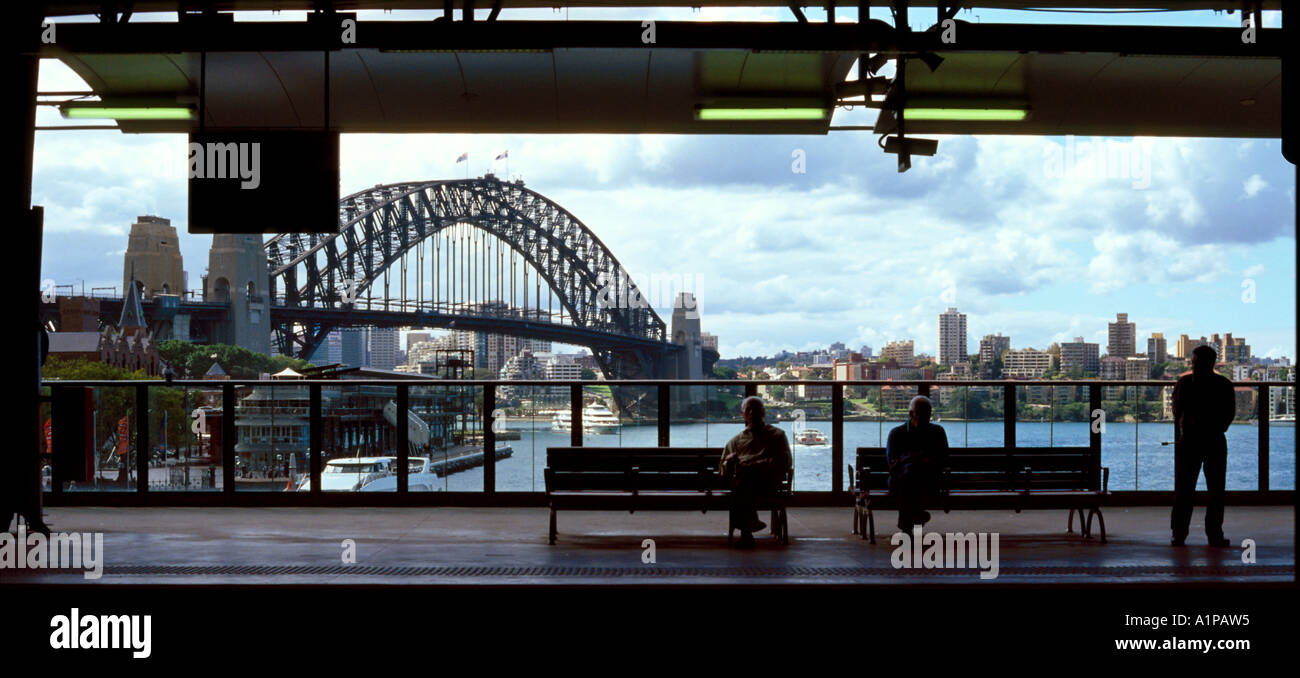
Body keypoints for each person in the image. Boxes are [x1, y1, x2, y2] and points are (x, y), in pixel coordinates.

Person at [1171, 345, 1236, 547]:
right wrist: (1217, 428)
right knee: (1216, 490)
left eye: (1195, 362)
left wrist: (1187, 426)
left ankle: (1179, 534)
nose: (1194, 365)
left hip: (1189, 440)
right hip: (1215, 440)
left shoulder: (1184, 383)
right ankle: (1214, 533)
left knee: (1184, 489)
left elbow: (1176, 410)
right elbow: (1229, 413)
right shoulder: (1223, 384)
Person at [719, 396, 792, 548]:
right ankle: (749, 525)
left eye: (756, 410)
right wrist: (729, 462)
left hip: (768, 482)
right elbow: (722, 470)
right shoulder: (735, 442)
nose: (752, 413)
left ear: (763, 412)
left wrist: (752, 465)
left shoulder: (777, 435)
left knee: (745, 477)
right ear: (743, 414)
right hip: (743, 484)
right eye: (749, 410)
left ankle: (746, 531)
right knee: (743, 480)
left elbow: (784, 462)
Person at [885, 395, 949, 533]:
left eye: (928, 415)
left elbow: (943, 459)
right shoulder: (898, 433)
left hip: (918, 481)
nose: (926, 419)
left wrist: (910, 461)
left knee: (910, 479)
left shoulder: (898, 433)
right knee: (910, 477)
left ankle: (907, 526)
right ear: (911, 414)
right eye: (922, 415)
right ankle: (916, 516)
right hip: (916, 481)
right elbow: (892, 463)